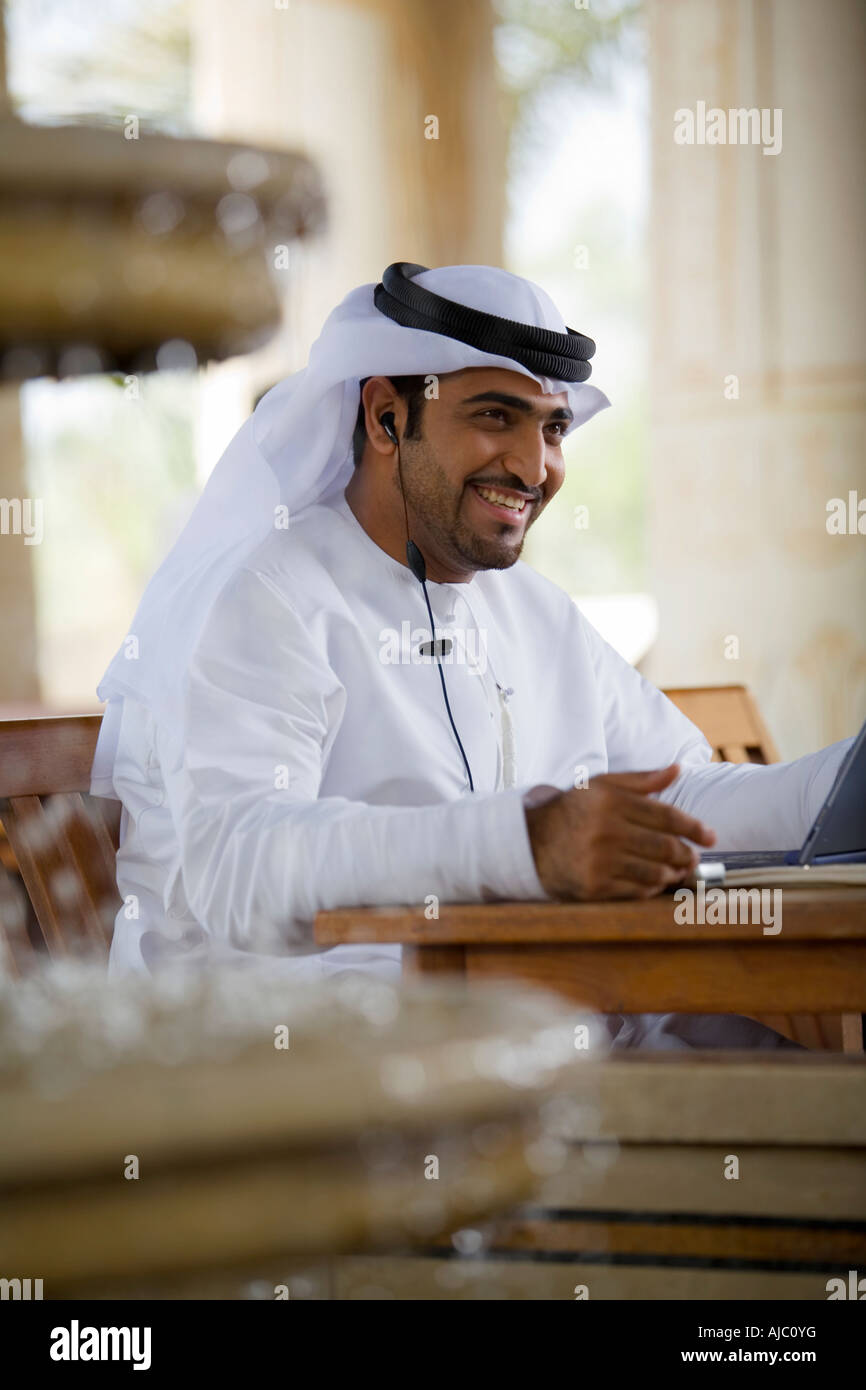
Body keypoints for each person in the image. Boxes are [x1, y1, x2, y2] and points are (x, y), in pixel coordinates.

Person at [91, 262, 854, 1050]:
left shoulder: (535, 610)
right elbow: (237, 865)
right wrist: (523, 845)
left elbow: (673, 795)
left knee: (814, 1096)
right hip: (313, 1069)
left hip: (537, 1022)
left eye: (553, 429)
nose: (533, 469)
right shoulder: (267, 595)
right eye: (497, 417)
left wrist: (835, 790)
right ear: (387, 418)